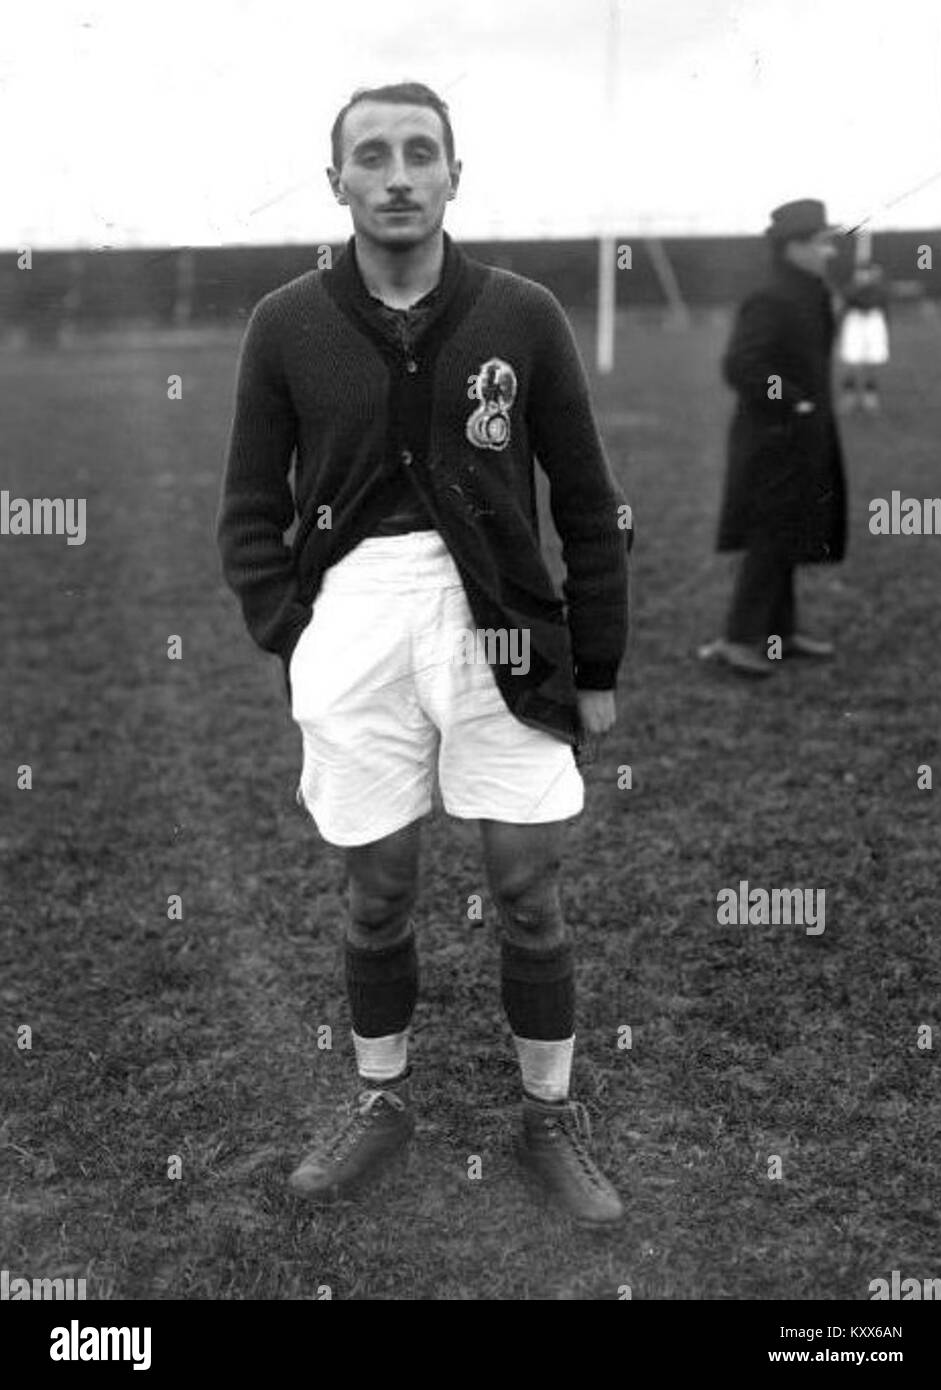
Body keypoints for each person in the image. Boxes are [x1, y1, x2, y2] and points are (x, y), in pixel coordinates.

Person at [216, 82, 632, 1223]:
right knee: (377, 890)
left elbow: (589, 505)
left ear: (455, 174)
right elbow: (250, 510)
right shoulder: (286, 321)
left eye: (419, 153)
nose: (397, 174)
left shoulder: (522, 313)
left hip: (499, 620)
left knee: (525, 887)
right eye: (372, 156)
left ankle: (548, 1113)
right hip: (352, 625)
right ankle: (381, 1097)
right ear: (336, 180)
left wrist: (593, 667)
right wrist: (296, 633)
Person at [699, 199, 848, 678]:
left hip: (805, 438)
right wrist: (794, 400)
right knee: (769, 535)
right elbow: (742, 365)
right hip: (773, 440)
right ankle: (739, 640)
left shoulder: (810, 291)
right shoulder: (771, 296)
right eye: (822, 244)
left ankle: (779, 635)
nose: (830, 253)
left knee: (791, 530)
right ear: (794, 248)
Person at [839, 261, 890, 412]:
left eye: (866, 273)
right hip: (854, 322)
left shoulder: (879, 287)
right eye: (861, 273)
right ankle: (849, 393)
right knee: (851, 359)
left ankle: (870, 394)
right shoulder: (851, 288)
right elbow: (848, 299)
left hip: (874, 321)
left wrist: (874, 283)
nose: (864, 276)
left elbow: (880, 300)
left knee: (873, 359)